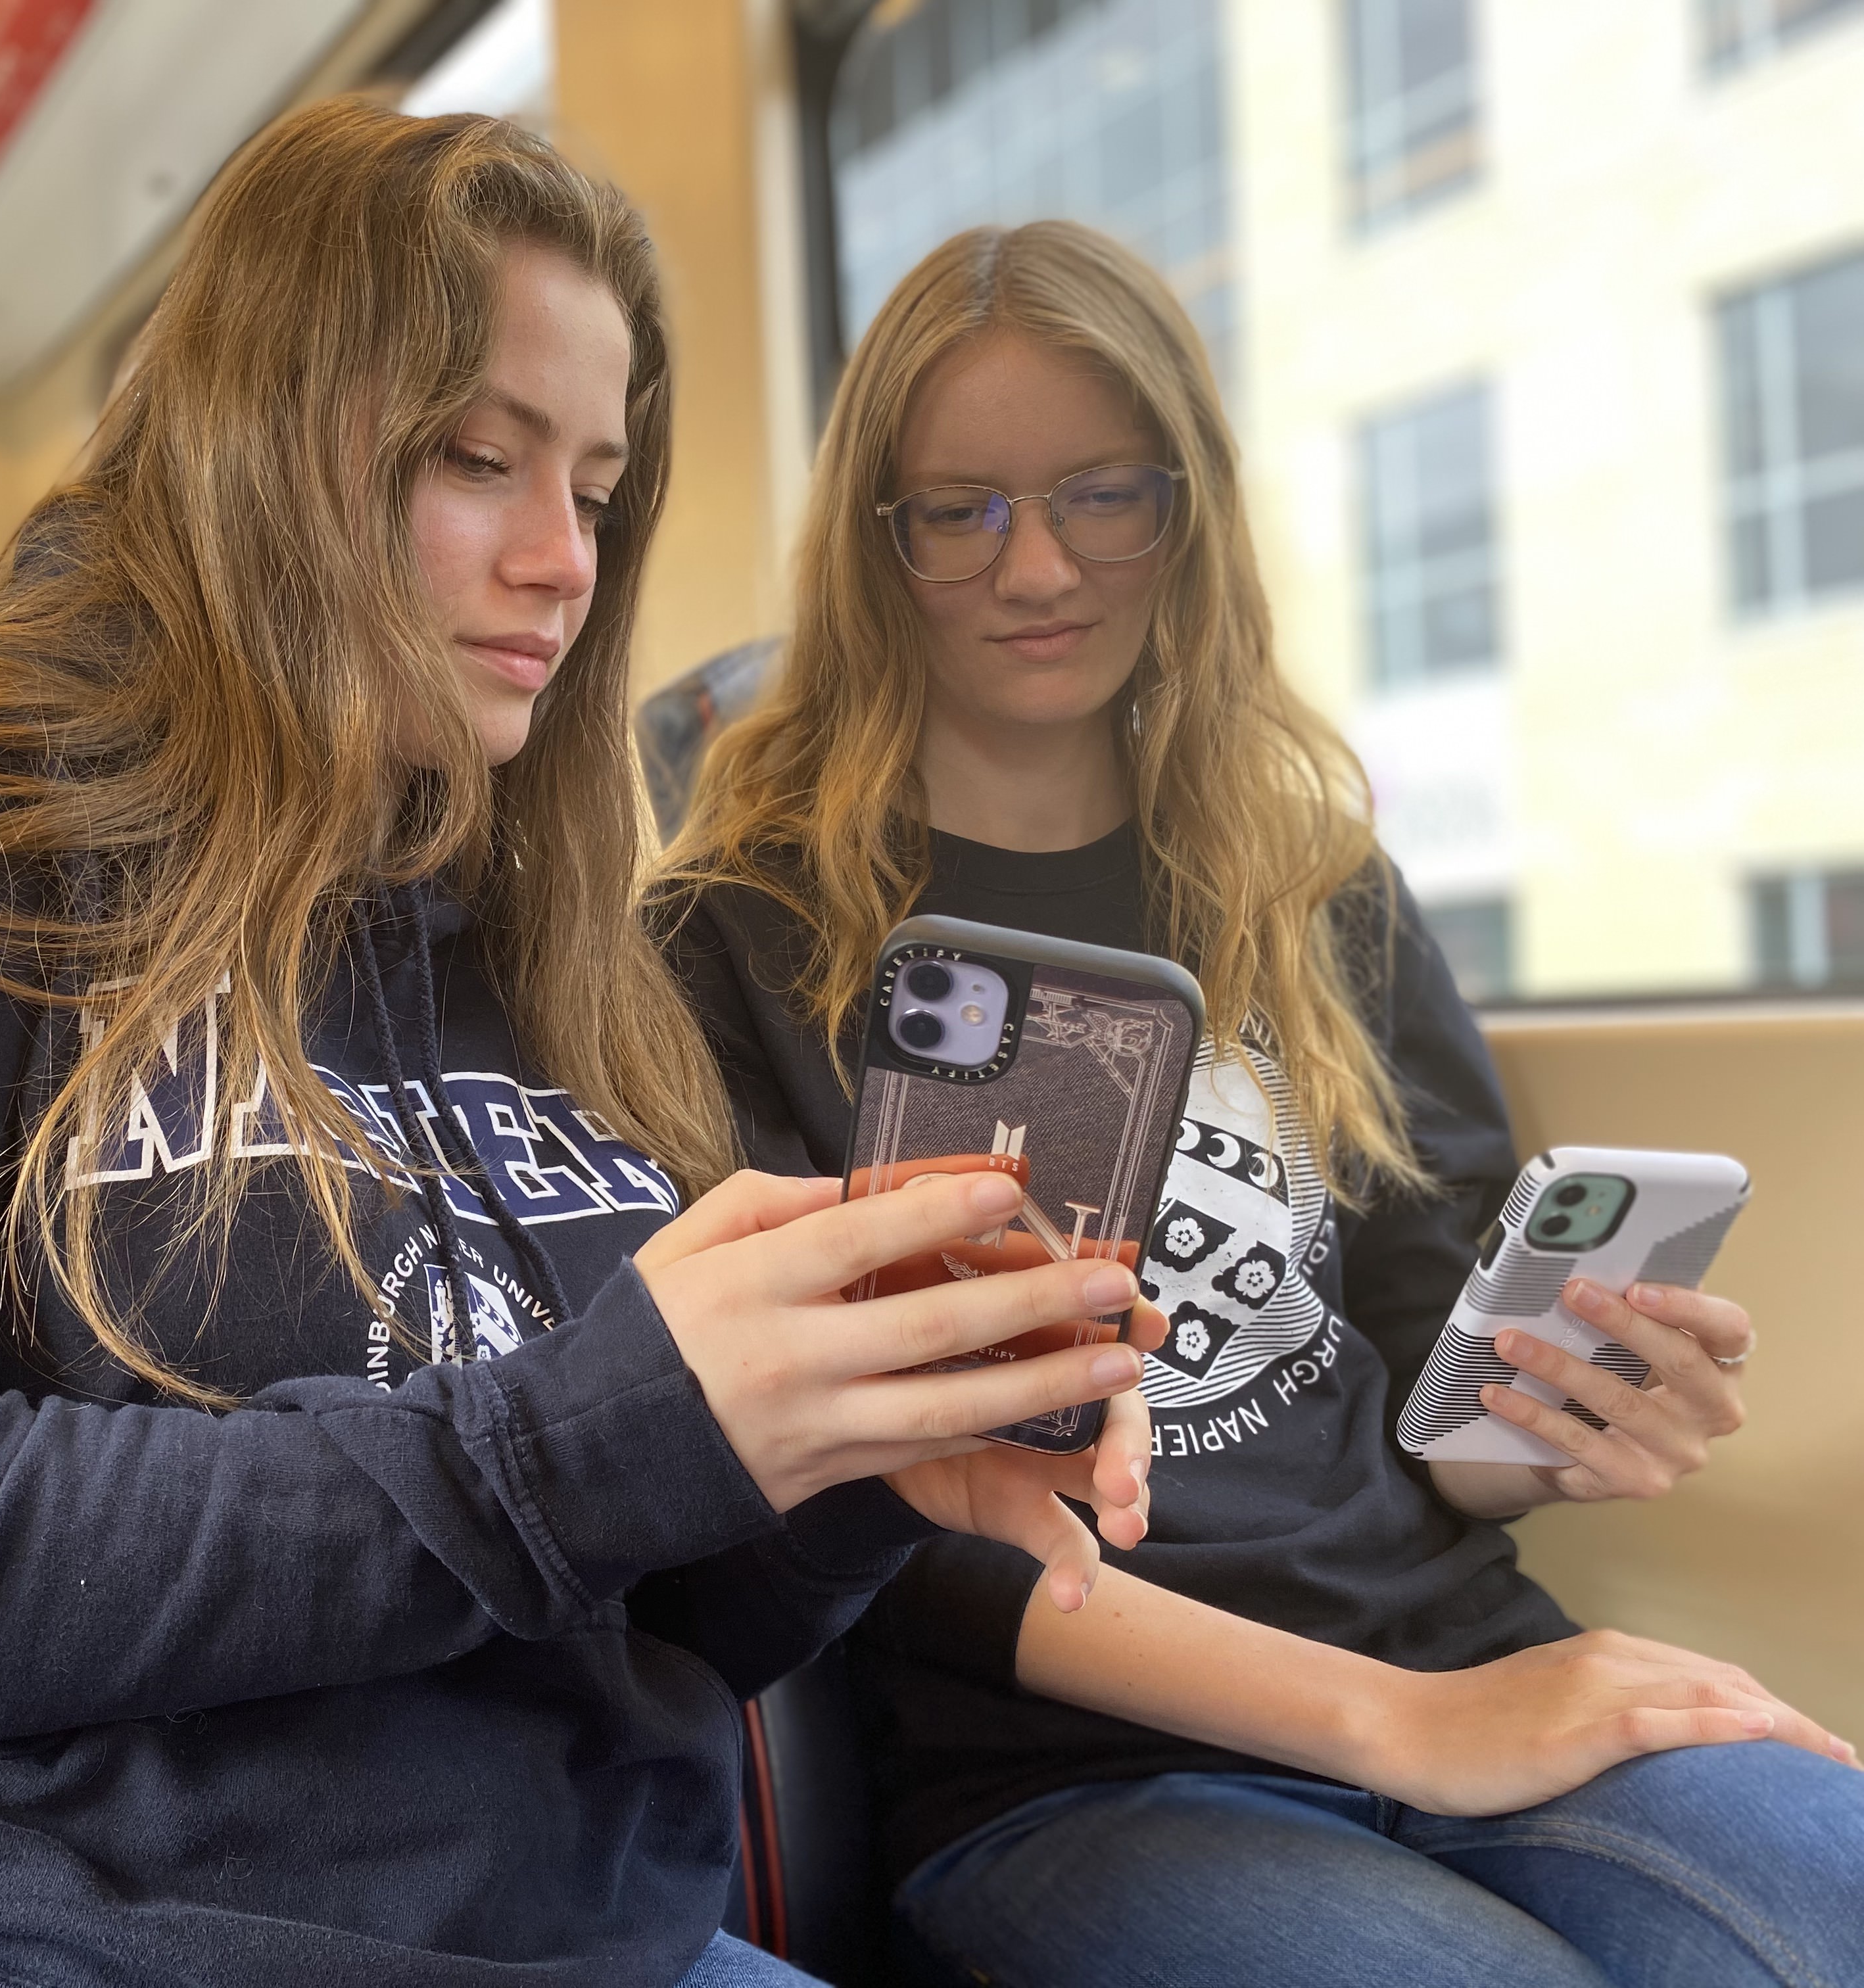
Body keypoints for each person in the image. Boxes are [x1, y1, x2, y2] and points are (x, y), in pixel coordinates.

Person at [0, 108, 1162, 1988]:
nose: (561, 563)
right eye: (474, 458)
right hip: (16, 1936)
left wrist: (838, 1477)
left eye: (593, 487)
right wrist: (572, 1448)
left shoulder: (551, 960)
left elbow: (632, 1614)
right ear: (255, 448)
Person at [657, 219, 1864, 1988]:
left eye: (1101, 496)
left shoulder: (1308, 878)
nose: (1039, 563)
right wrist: (1390, 1726)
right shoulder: (731, 940)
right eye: (960, 509)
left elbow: (1420, 1342)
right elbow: (846, 1522)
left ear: (1187, 509)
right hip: (1073, 1772)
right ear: (875, 546)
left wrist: (1562, 1417)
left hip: (1460, 1665)